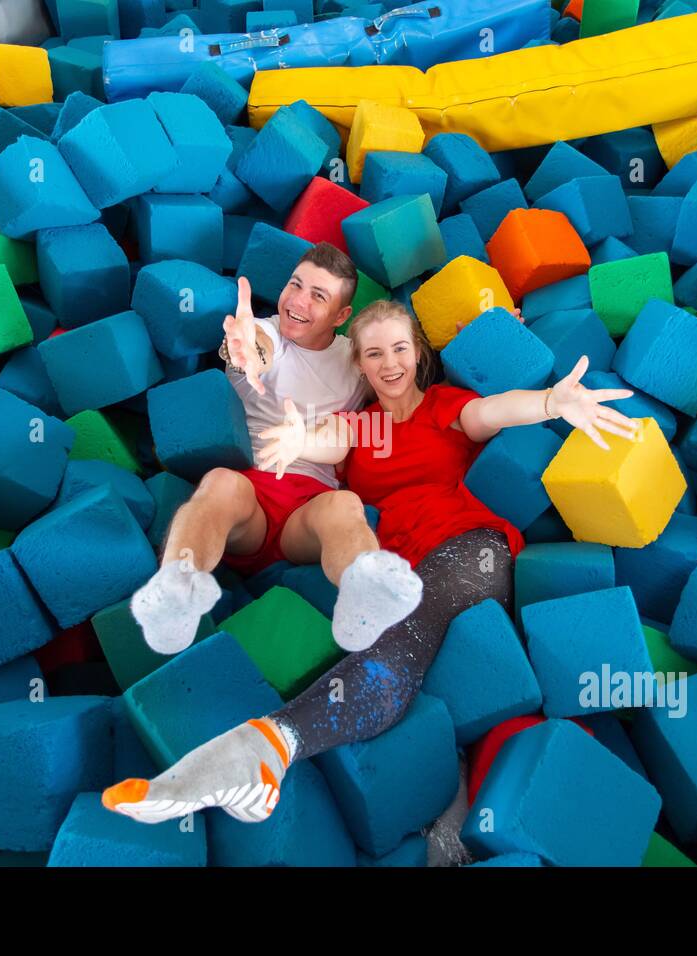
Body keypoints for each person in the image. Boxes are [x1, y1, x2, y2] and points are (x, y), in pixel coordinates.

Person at [103, 298, 638, 824]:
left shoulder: (443, 408)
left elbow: (490, 412)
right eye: (375, 354)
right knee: (404, 644)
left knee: (397, 646)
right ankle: (433, 781)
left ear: (416, 354)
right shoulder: (359, 425)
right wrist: (300, 439)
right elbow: (332, 440)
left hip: (470, 549)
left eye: (400, 349)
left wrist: (550, 402)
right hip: (395, 572)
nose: (391, 364)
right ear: (360, 363)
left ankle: (266, 748)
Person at [129, 242, 424, 658]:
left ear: (341, 317)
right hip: (252, 496)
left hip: (307, 508)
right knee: (219, 483)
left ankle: (365, 594)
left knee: (345, 504)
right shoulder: (264, 332)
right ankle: (175, 592)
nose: (298, 302)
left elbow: (400, 366)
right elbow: (256, 349)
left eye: (318, 296)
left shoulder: (353, 357)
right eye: (295, 285)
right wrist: (246, 349)